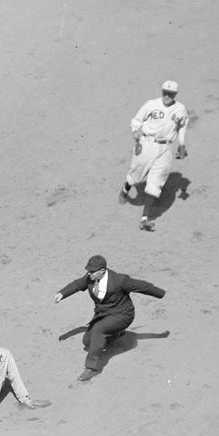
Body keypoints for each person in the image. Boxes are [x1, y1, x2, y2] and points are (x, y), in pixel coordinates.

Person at [54, 255, 166, 382]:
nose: (88, 273)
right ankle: (115, 333)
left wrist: (162, 293)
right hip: (104, 314)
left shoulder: (119, 280)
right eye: (88, 270)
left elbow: (142, 286)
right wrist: (61, 294)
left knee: (98, 330)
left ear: (102, 270)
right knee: (87, 342)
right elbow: (77, 284)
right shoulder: (90, 278)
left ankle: (93, 367)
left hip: (123, 314)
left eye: (92, 271)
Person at [119, 80, 189, 231]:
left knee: (156, 183)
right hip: (147, 143)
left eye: (170, 94)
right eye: (165, 92)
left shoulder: (181, 109)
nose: (167, 96)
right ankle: (125, 190)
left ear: (175, 94)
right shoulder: (151, 104)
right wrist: (135, 130)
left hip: (166, 148)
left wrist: (182, 144)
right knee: (136, 174)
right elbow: (136, 121)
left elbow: (183, 126)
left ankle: (145, 218)